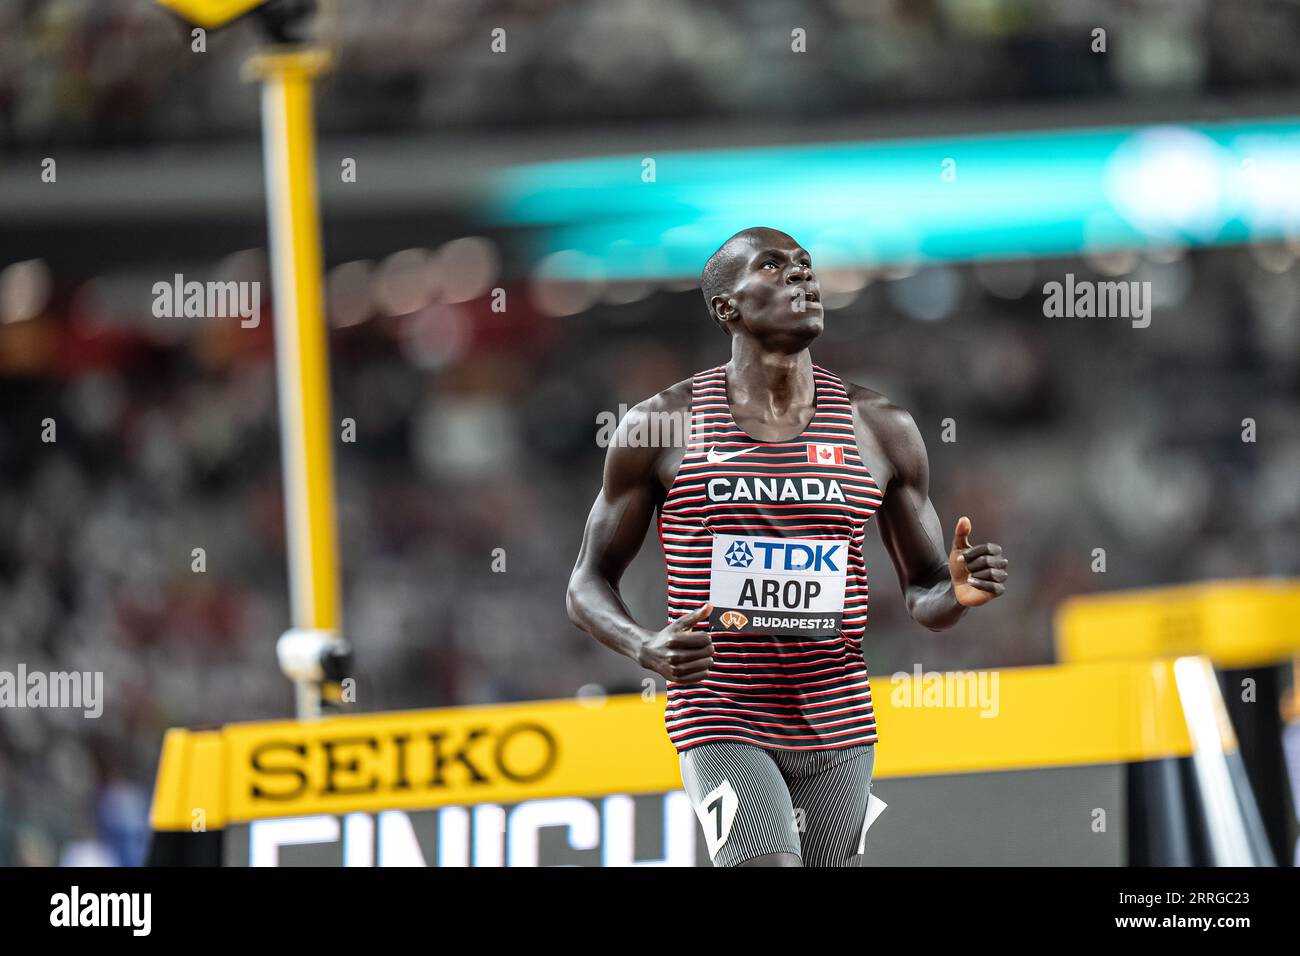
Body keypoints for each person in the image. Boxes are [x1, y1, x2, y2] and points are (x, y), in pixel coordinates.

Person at [566, 226, 1010, 866]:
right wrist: (645, 645)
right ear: (728, 308)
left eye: (805, 266)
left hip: (840, 723)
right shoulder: (662, 424)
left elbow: (926, 593)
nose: (802, 276)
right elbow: (587, 583)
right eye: (774, 268)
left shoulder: (881, 426)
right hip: (722, 717)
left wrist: (958, 592)